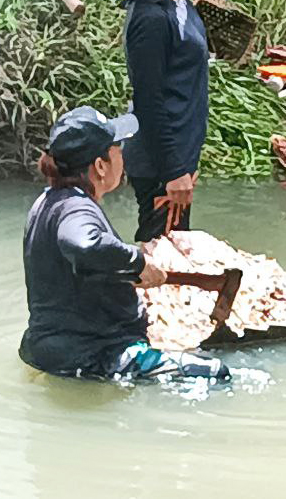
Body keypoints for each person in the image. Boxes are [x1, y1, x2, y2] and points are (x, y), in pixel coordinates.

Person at [19, 105, 231, 382]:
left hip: (45, 349)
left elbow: (82, 266)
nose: (123, 155)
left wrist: (123, 273)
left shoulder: (49, 202)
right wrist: (138, 262)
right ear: (100, 166)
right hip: (95, 355)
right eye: (117, 148)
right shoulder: (76, 209)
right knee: (216, 374)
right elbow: (84, 245)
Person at [96, 0, 217, 242]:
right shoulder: (149, 17)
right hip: (162, 159)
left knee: (173, 245)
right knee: (161, 253)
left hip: (178, 148)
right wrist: (175, 169)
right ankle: (133, 302)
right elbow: (148, 102)